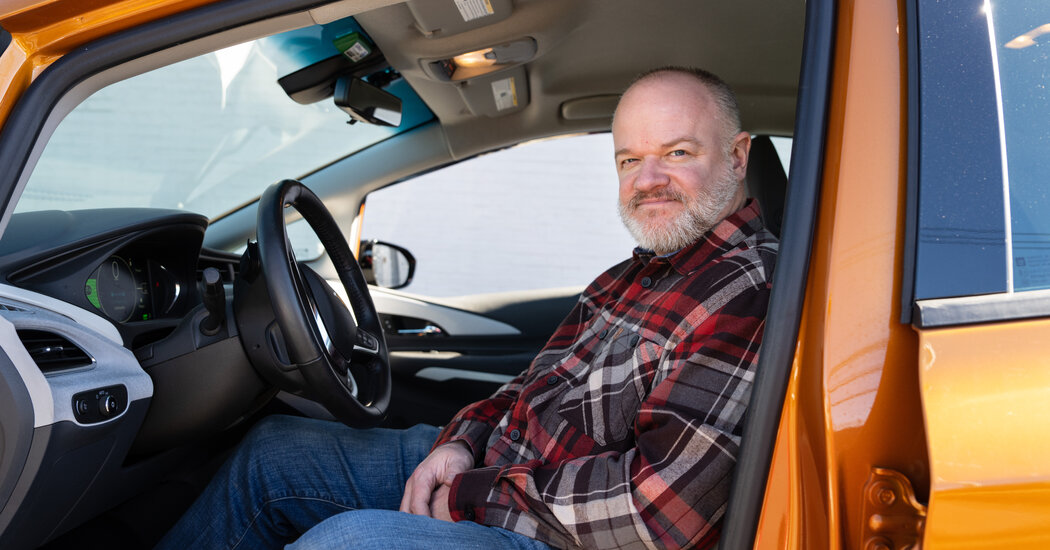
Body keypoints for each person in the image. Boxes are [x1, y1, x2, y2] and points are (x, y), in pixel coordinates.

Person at [155, 66, 778, 550]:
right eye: (629, 159)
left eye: (677, 153)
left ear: (738, 156)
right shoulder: (635, 272)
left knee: (347, 543)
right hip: (509, 472)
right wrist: (461, 442)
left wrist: (471, 494)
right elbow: (533, 387)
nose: (647, 180)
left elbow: (655, 514)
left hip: (570, 536)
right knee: (276, 454)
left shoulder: (745, 291)